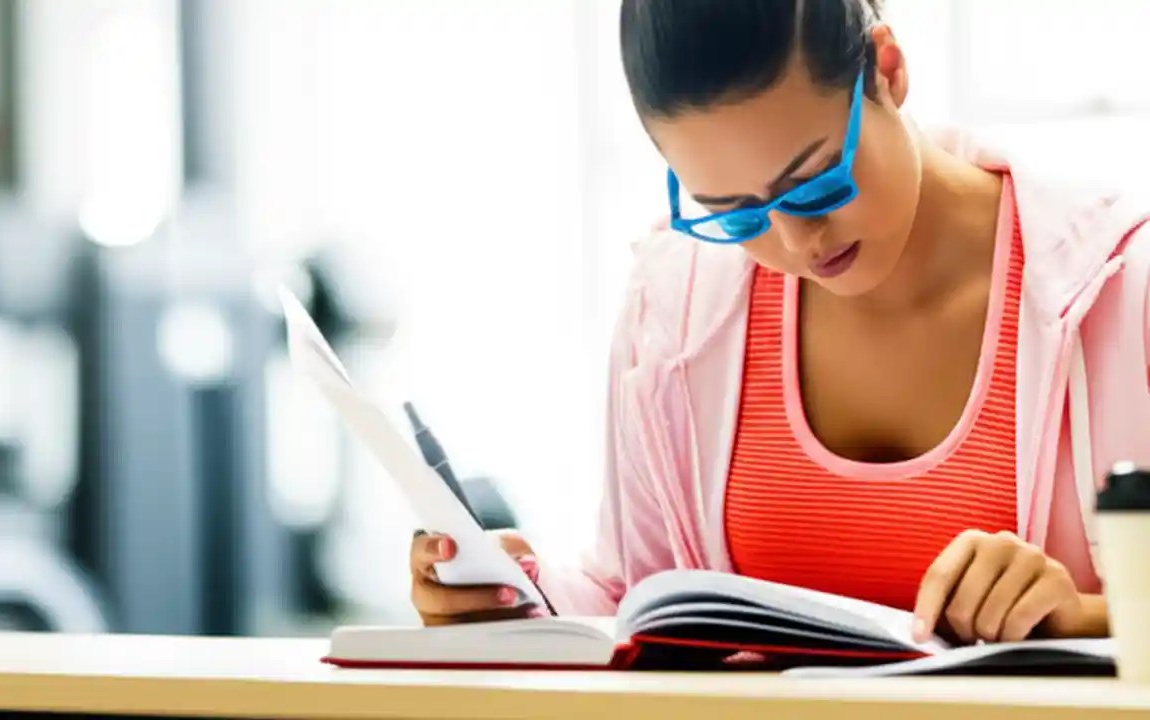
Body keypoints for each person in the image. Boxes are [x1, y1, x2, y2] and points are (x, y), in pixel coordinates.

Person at [410, 0, 1150, 645]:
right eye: (731, 211)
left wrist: (1084, 616)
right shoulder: (671, 310)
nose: (797, 242)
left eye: (815, 180)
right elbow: (631, 598)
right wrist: (510, 600)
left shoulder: (1123, 286)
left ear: (888, 72)